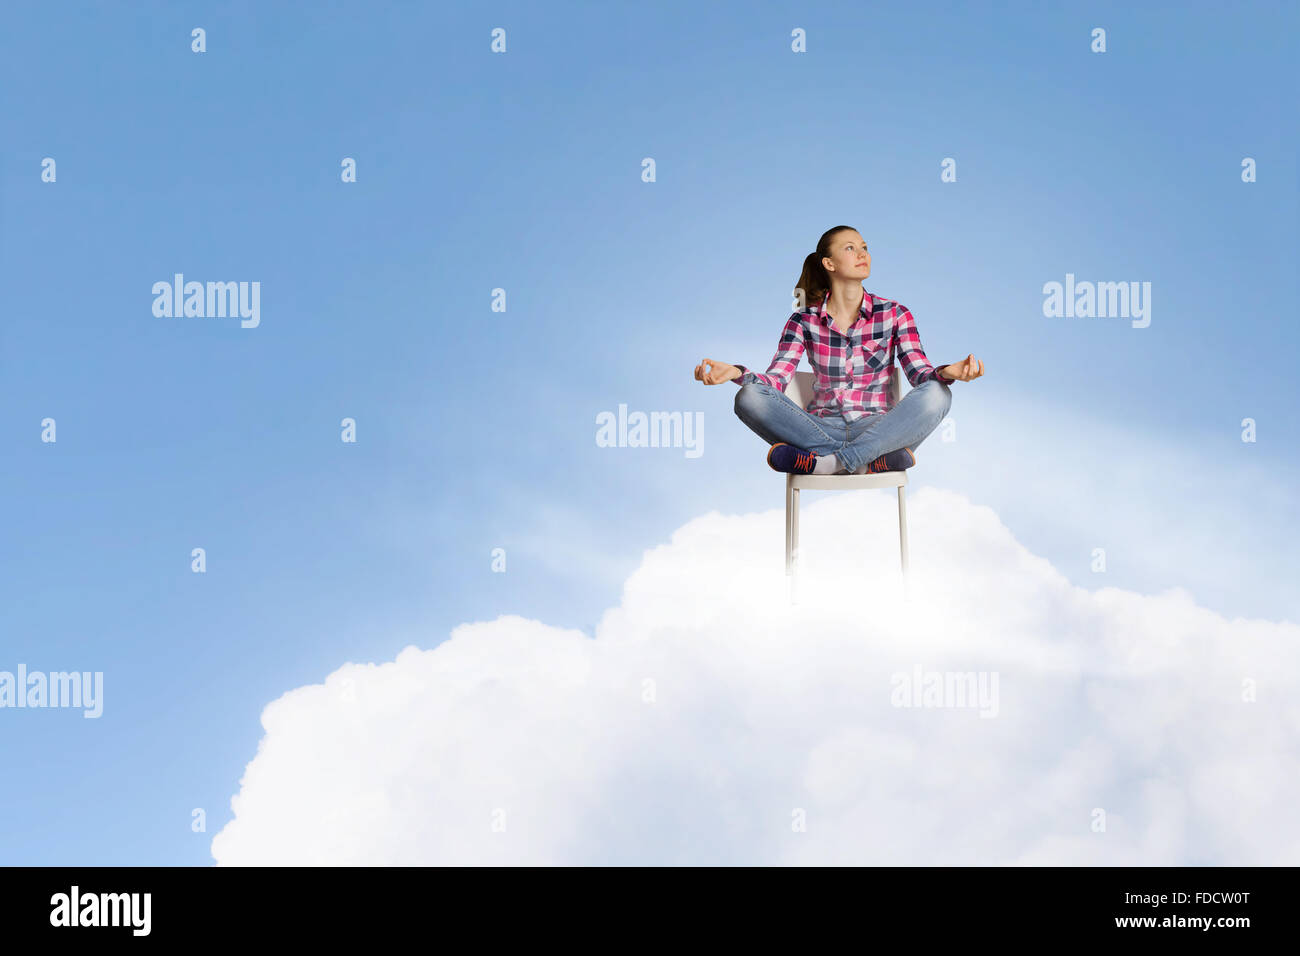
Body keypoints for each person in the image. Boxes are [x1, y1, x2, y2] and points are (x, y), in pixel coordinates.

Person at [694, 225, 984, 475]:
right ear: (829, 263)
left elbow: (919, 373)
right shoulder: (803, 319)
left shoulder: (896, 314)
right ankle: (869, 462)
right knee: (748, 396)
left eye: (865, 247)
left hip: (880, 429)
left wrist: (947, 372)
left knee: (938, 393)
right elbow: (777, 378)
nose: (863, 254)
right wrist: (737, 373)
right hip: (818, 429)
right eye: (850, 248)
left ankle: (827, 464)